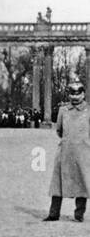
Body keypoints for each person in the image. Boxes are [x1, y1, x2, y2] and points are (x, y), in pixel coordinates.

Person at [43, 78, 88, 222]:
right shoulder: (63, 110)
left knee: (82, 182)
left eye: (78, 93)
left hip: (83, 152)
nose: (75, 97)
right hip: (65, 151)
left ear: (83, 94)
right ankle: (53, 213)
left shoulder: (88, 111)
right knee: (57, 183)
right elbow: (59, 130)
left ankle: (79, 213)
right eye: (72, 93)